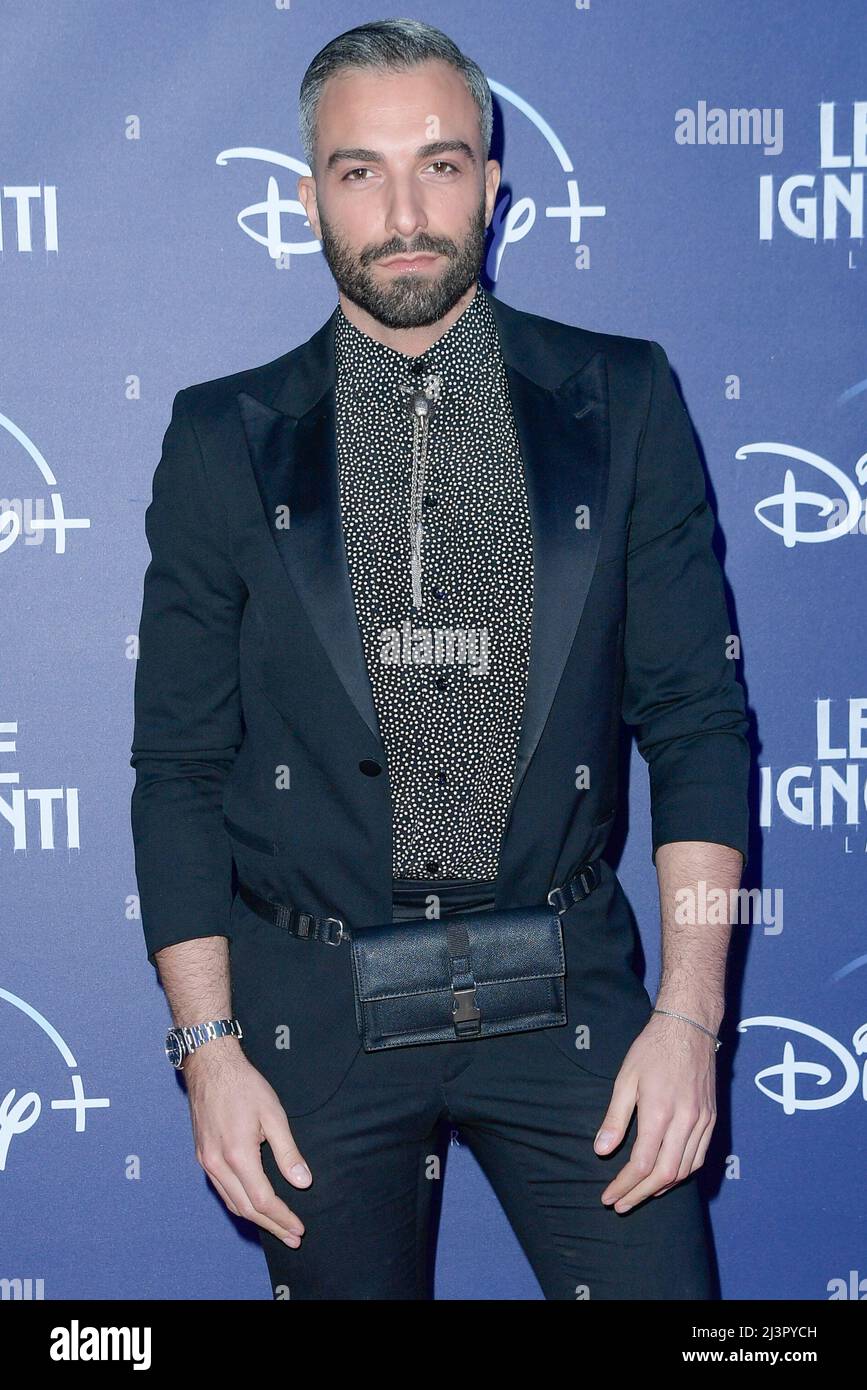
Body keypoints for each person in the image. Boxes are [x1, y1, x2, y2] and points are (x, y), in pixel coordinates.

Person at [130, 18, 750, 1300]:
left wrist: (691, 1023)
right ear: (309, 198)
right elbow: (179, 768)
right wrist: (210, 1049)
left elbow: (697, 723)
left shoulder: (622, 399)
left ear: (496, 182)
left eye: (443, 163)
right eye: (362, 172)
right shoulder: (219, 440)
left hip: (567, 986)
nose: (406, 210)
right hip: (312, 1011)